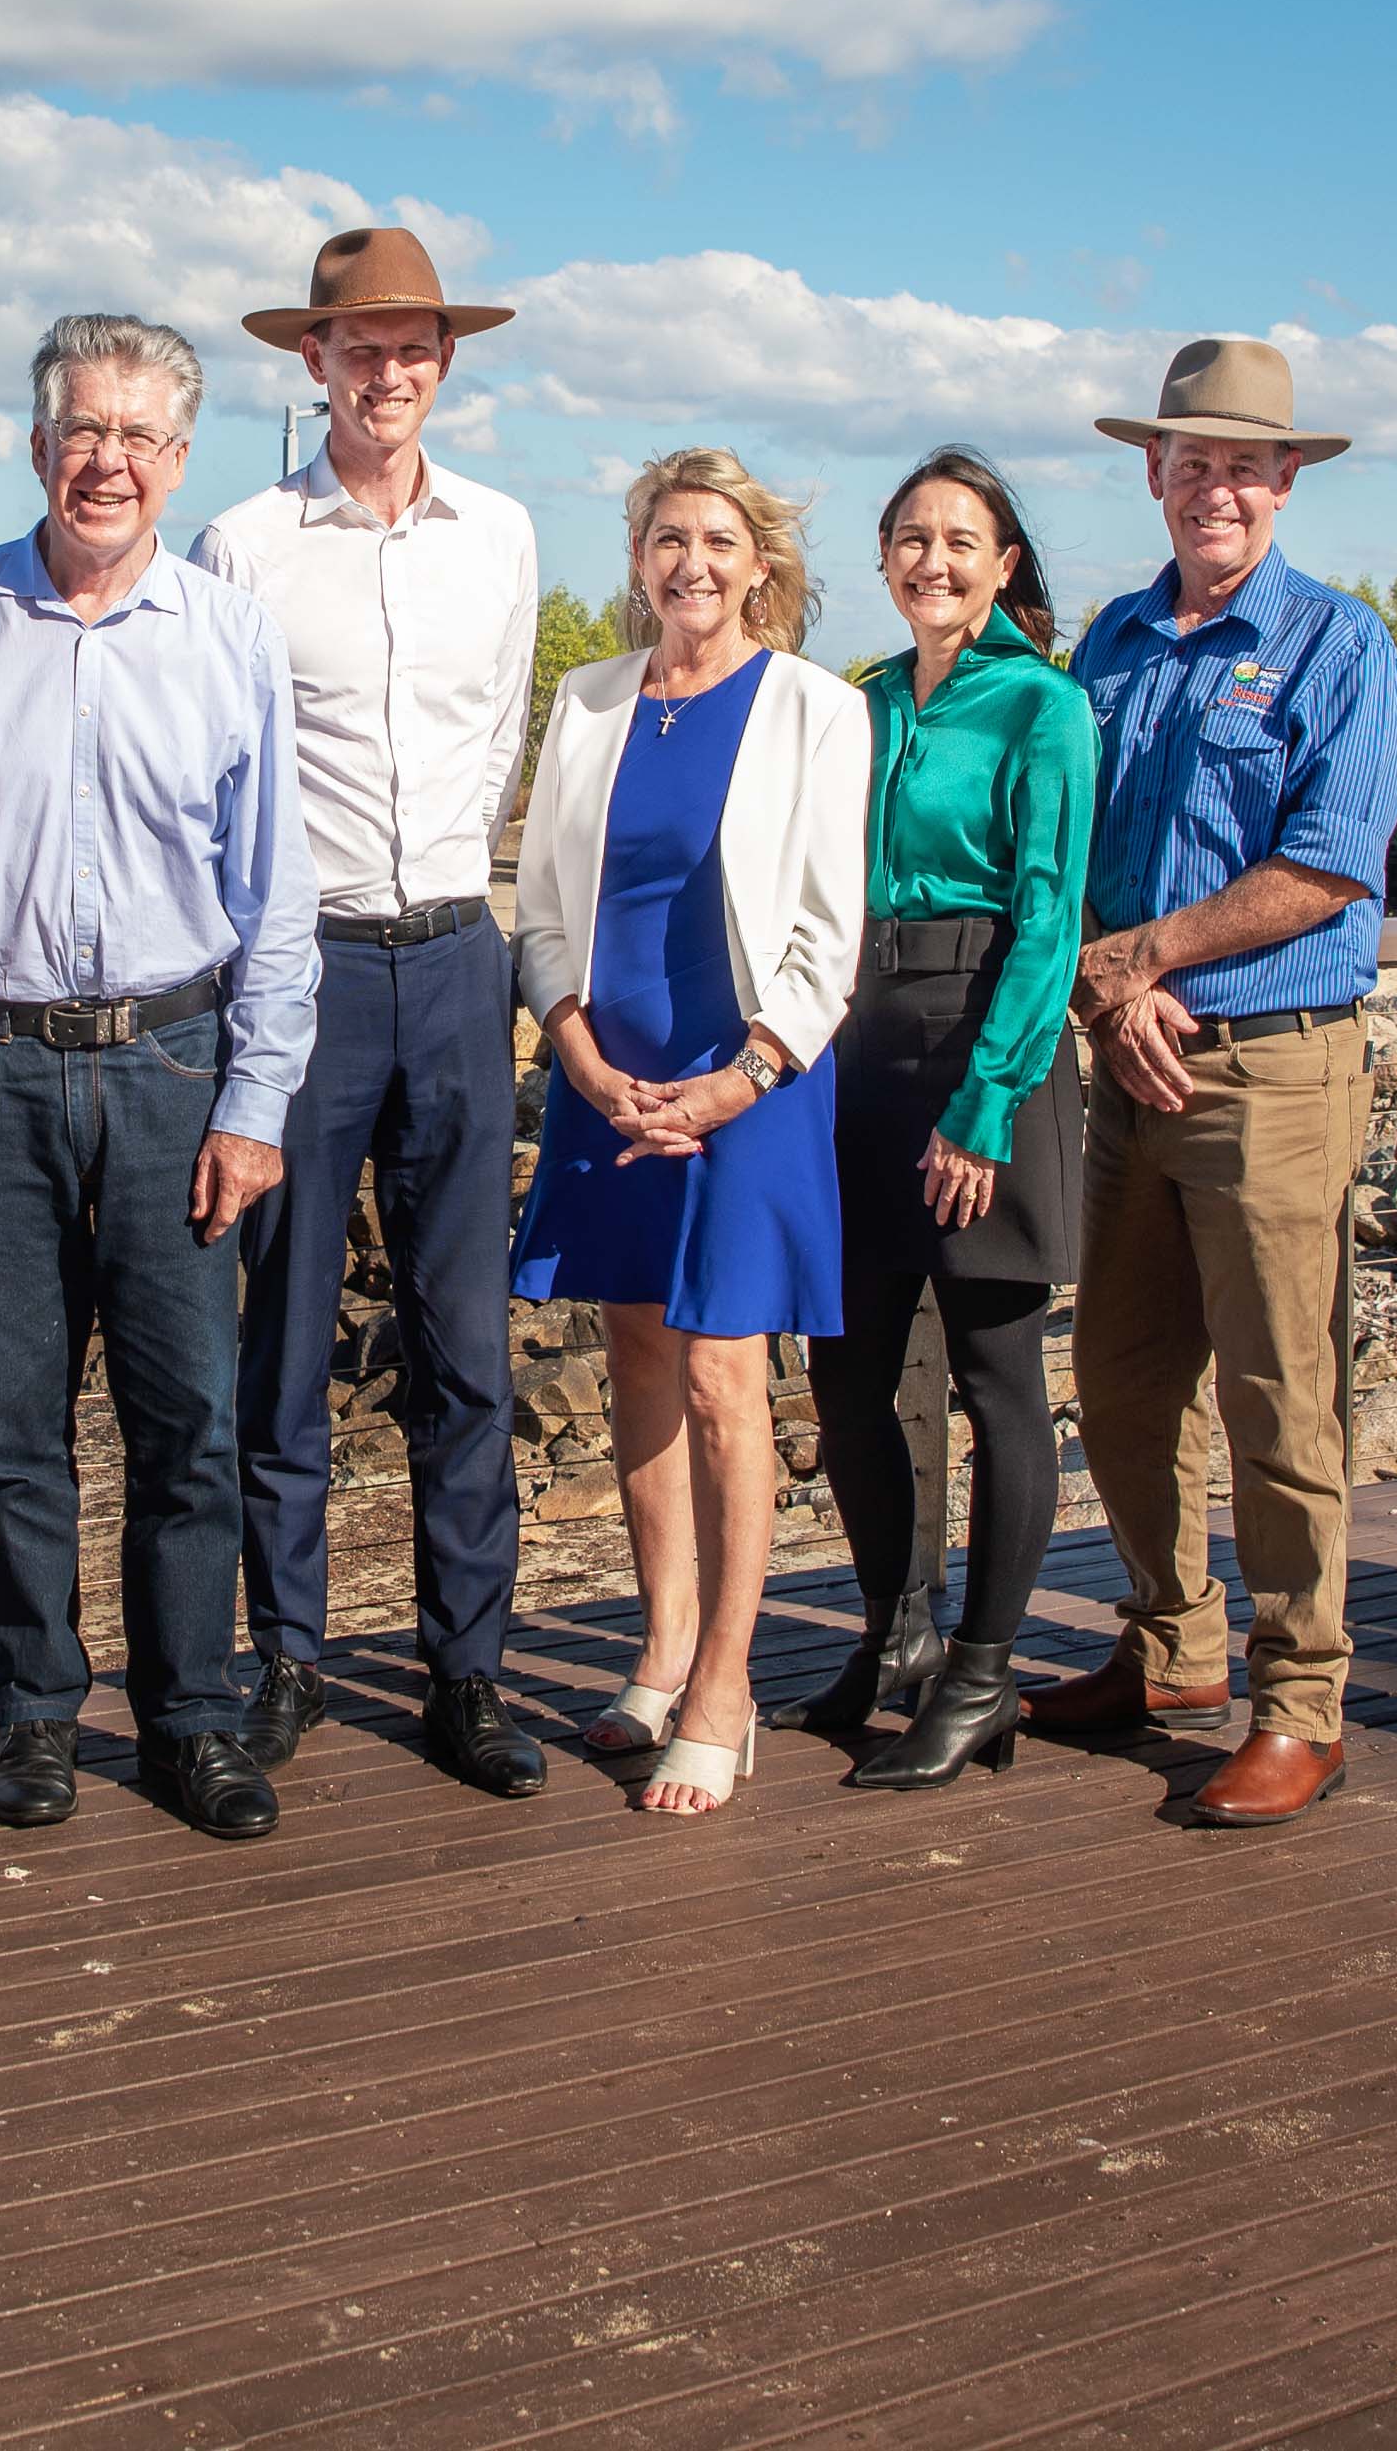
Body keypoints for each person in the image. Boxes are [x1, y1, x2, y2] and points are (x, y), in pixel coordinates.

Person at [0, 313, 320, 1844]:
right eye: (84, 430)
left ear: (178, 462)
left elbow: (275, 889)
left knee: (188, 1424)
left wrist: (254, 1103)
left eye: (142, 438)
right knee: (12, 1425)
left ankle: (190, 1718)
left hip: (175, 1061)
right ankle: (31, 1711)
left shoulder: (228, 635)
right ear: (35, 447)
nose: (110, 460)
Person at [1041, 338, 1397, 1832]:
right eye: (1192, 459)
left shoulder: (1341, 644)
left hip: (1270, 1062)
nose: (1218, 485)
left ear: (1287, 481)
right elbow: (1056, 841)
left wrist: (1146, 963)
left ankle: (1300, 1699)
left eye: (1247, 463)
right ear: (1154, 471)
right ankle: (1173, 1641)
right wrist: (1106, 988)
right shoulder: (1114, 640)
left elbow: (1331, 867)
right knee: (1123, 1383)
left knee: (1280, 1394)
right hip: (1130, 1060)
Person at [193, 226, 547, 1799]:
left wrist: (454, 891)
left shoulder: (506, 535)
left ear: (444, 363)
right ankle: (289, 1653)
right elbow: (217, 771)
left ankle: (468, 1667)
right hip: (308, 966)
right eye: (358, 346)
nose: (385, 370)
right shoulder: (243, 542)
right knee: (281, 1338)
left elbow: (499, 739)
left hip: (461, 956)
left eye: (412, 346)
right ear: (313, 362)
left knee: (465, 1334)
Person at [508, 448, 869, 1817]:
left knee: (727, 1372)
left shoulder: (815, 711)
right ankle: (660, 1653)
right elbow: (543, 908)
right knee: (637, 1345)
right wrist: (587, 1063)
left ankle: (728, 1684)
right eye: (669, 537)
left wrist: (742, 1076)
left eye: (719, 538)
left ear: (760, 561)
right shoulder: (589, 702)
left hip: (753, 1080)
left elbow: (829, 930)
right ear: (639, 555)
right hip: (616, 1073)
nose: (693, 562)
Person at [781, 450, 1095, 1793]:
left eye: (962, 540)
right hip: (861, 1042)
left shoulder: (1045, 707)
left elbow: (1049, 915)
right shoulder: (860, 705)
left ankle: (984, 1670)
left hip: (986, 1044)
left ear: (1005, 561)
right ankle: (894, 1631)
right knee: (847, 1378)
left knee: (995, 1376)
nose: (935, 561)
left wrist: (984, 1107)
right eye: (912, 537)